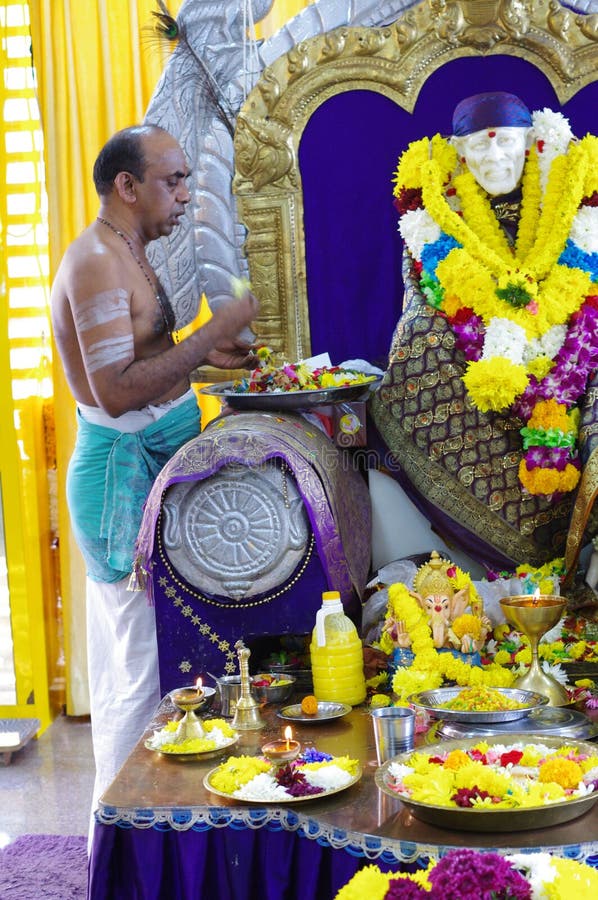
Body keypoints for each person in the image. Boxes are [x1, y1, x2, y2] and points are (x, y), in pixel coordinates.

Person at [50, 123, 259, 842]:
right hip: (118, 484)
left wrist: (208, 361)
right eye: (172, 180)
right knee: (134, 680)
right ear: (126, 186)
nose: (185, 193)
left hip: (148, 470)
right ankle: (117, 855)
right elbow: (114, 391)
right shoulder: (95, 264)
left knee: (161, 669)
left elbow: (148, 369)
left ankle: (157, 844)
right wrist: (208, 333)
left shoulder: (129, 250)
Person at [370, 92, 598, 597]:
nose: (495, 159)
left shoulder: (574, 204)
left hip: (570, 360)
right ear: (458, 153)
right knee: (420, 339)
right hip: (470, 363)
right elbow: (426, 292)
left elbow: (586, 289)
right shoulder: (435, 214)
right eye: (480, 148)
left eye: (507, 146)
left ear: (533, 143)